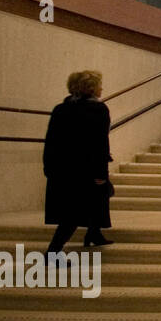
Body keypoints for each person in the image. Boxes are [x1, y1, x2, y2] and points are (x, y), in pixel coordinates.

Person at [44, 70, 113, 253]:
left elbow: (51, 140)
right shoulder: (98, 109)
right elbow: (100, 143)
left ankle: (94, 233)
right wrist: (101, 173)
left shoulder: (61, 109)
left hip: (62, 168)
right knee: (73, 214)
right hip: (87, 168)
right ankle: (53, 252)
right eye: (99, 84)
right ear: (90, 88)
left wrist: (48, 167)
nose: (101, 88)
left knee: (91, 201)